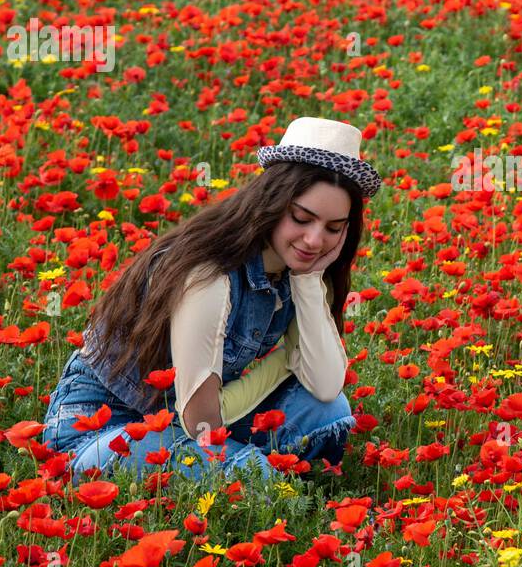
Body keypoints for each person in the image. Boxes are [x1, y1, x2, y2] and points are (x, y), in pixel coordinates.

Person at [39, 117, 382, 487]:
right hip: (101, 431)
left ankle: (237, 466)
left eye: (333, 228)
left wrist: (310, 282)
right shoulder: (209, 275)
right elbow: (201, 421)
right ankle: (250, 470)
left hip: (189, 425)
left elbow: (327, 385)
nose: (315, 240)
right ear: (272, 201)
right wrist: (286, 362)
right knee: (253, 480)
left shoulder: (300, 270)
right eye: (302, 218)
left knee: (329, 414)